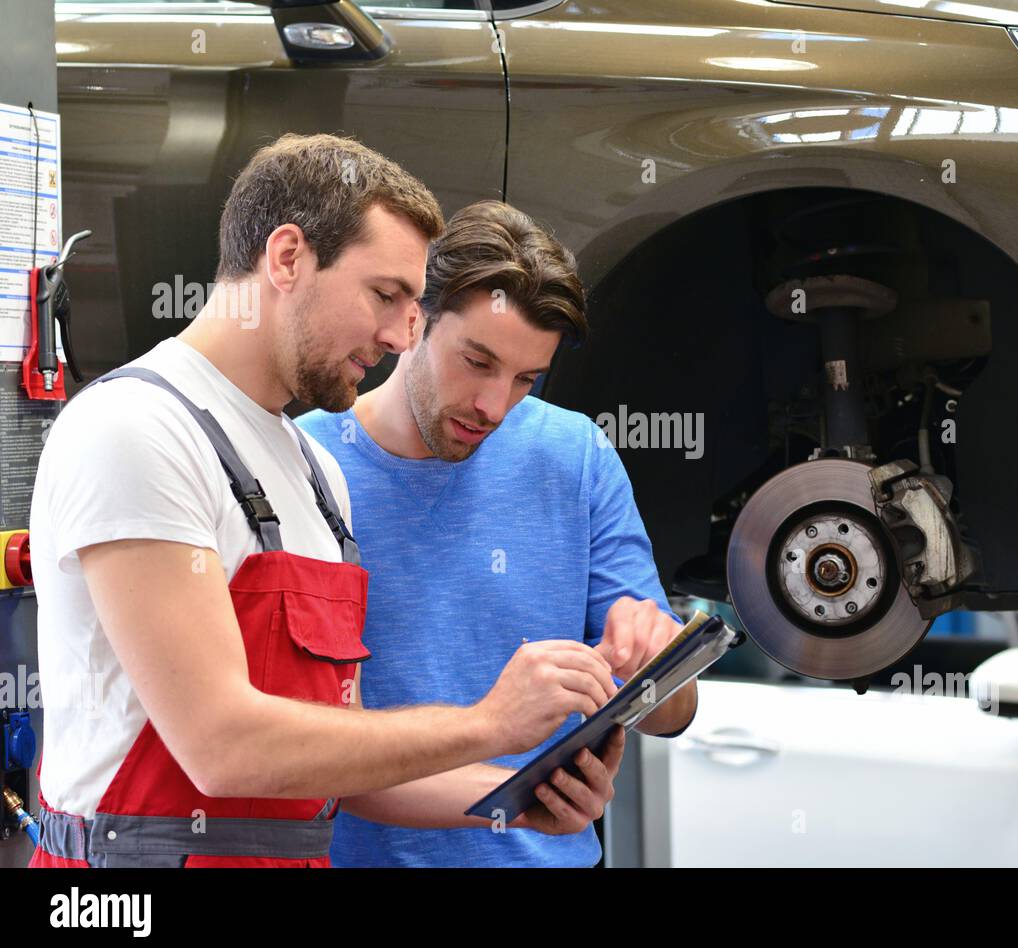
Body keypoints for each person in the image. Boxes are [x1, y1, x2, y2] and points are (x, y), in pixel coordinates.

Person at [29, 135, 624, 868]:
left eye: (413, 303)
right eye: (385, 295)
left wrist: (515, 796)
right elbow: (224, 746)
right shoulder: (137, 429)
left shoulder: (315, 471)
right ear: (285, 258)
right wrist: (488, 723)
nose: (401, 333)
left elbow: (344, 760)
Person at [297, 200, 696, 867]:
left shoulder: (576, 456)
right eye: (477, 362)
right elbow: (305, 754)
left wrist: (654, 660)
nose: (494, 406)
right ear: (413, 317)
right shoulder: (304, 465)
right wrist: (513, 792)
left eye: (525, 379)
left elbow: (673, 711)